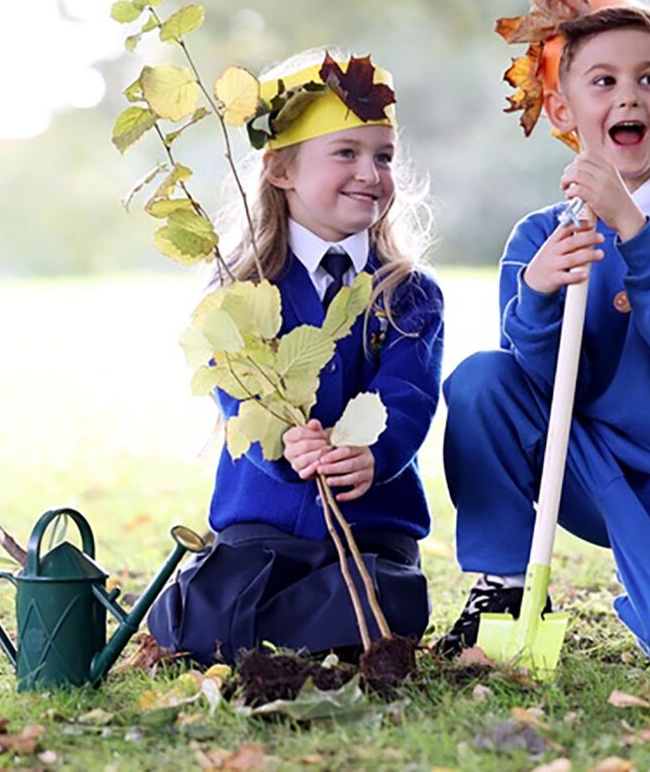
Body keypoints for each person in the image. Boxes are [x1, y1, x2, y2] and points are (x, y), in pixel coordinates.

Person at [437, 0, 650, 660]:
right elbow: (535, 385)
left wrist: (634, 231)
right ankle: (502, 582)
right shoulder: (539, 236)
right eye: (604, 81)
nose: (630, 97)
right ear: (564, 109)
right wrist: (537, 295)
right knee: (480, 381)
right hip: (583, 462)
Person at [148, 51, 444, 665]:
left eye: (383, 156)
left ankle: (282, 633)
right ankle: (264, 627)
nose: (371, 173)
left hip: (369, 535)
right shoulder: (239, 291)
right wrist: (289, 446)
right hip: (263, 532)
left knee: (387, 600)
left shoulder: (407, 292)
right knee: (215, 601)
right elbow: (241, 398)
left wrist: (371, 454)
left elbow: (409, 395)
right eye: (346, 153)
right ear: (281, 168)